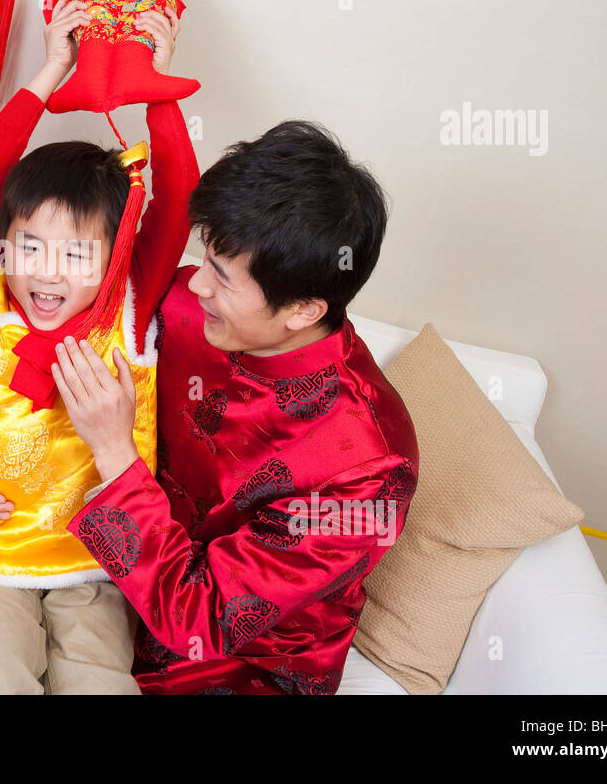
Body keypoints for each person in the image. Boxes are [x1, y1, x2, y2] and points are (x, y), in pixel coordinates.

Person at [50, 120, 419, 694]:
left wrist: (114, 452)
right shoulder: (185, 308)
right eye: (206, 259)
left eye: (221, 277)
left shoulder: (370, 468)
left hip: (245, 668)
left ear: (301, 310)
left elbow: (202, 617)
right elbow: (40, 367)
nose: (196, 285)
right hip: (100, 594)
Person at [0, 0, 199, 693]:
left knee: (100, 680)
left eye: (75, 254)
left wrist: (160, 90)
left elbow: (180, 190)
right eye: (29, 245)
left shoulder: (127, 311)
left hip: (92, 560)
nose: (44, 269)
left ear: (114, 258)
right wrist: (51, 69)